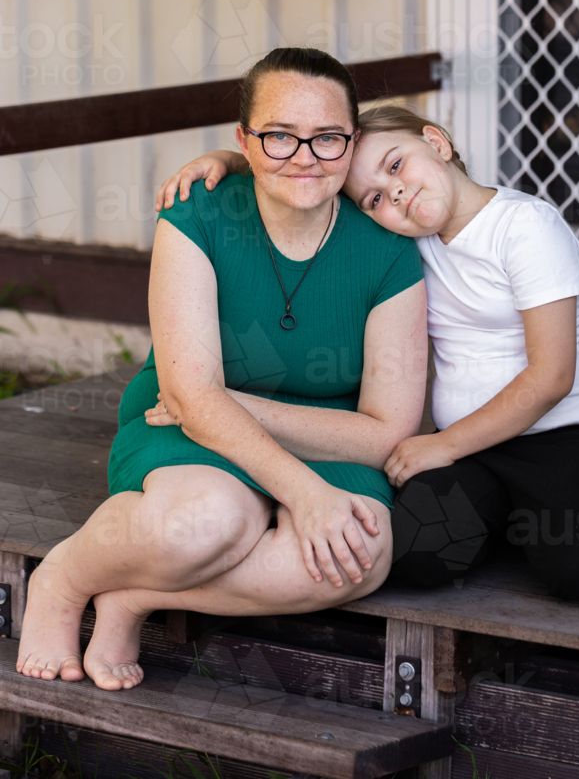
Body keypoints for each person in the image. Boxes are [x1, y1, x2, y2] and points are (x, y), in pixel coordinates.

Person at [16, 50, 427, 691]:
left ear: (351, 143)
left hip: (321, 436)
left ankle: (129, 598)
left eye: (327, 138)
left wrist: (222, 402)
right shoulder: (199, 213)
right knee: (203, 523)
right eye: (279, 136)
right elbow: (186, 395)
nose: (305, 156)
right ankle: (63, 579)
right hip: (184, 428)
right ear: (243, 139)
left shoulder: (388, 246)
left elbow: (386, 431)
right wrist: (304, 492)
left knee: (360, 559)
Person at [156, 104, 579, 606]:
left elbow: (552, 377)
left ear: (436, 143)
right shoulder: (411, 241)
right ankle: (520, 520)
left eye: (396, 165)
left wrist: (444, 446)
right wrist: (229, 160)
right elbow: (313, 177)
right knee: (413, 551)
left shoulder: (525, 226)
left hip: (558, 438)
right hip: (476, 452)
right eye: (373, 198)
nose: (393, 193)